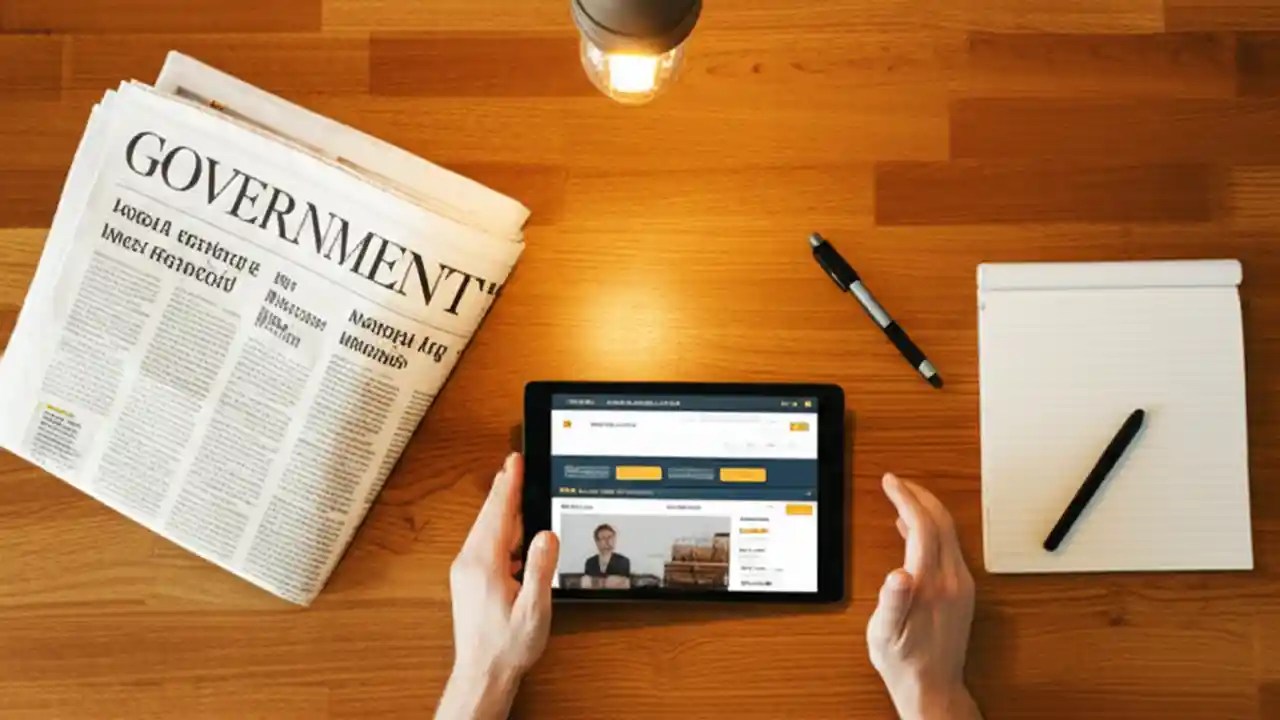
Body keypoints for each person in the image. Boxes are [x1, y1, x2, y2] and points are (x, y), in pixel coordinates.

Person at [437, 453, 983, 720]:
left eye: (607, 535)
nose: (604, 541)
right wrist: (935, 695)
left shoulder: (625, 558)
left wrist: (482, 672)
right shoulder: (583, 561)